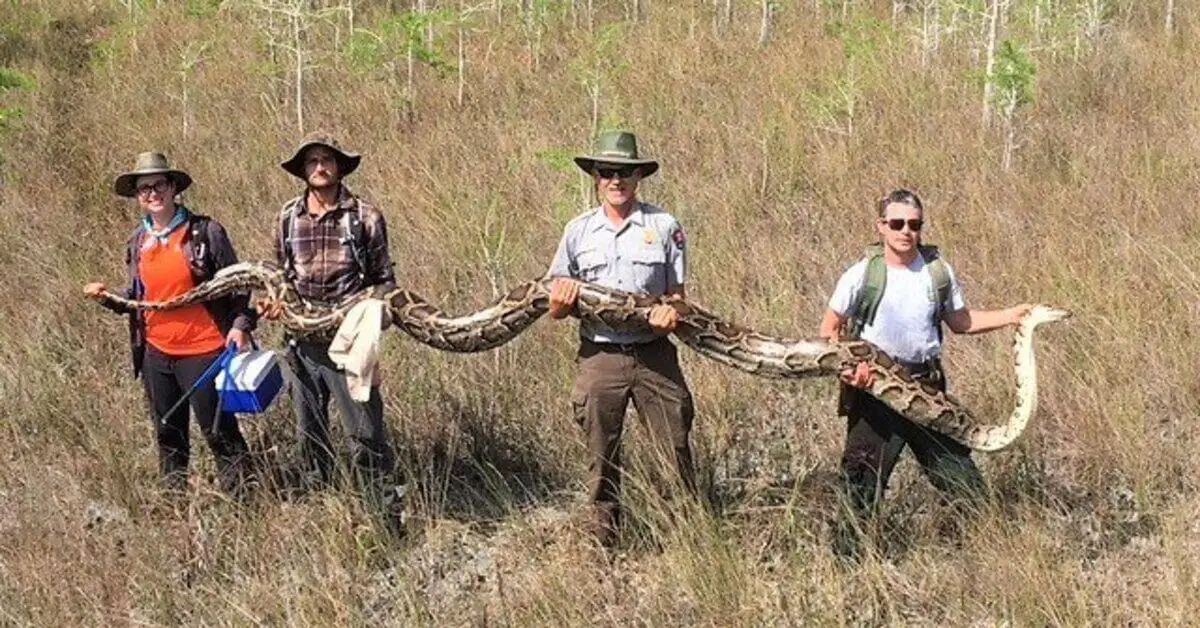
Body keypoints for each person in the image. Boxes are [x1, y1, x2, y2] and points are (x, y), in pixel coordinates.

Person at [819, 188, 1032, 558]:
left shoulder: (937, 272)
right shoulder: (861, 275)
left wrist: (1012, 315)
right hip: (875, 393)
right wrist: (852, 371)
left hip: (927, 389)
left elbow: (961, 322)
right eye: (897, 223)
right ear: (881, 227)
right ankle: (849, 567)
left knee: (961, 479)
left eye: (914, 224)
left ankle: (986, 554)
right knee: (861, 485)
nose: (906, 231)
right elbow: (829, 329)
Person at [546, 130, 696, 548]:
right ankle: (603, 544)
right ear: (595, 176)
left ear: (638, 177)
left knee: (675, 448)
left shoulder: (665, 226)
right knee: (601, 455)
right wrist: (560, 301)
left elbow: (680, 300)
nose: (616, 180)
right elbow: (555, 307)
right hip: (600, 355)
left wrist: (672, 313)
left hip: (654, 355)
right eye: (607, 171)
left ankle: (686, 538)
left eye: (625, 172)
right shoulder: (577, 231)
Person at [84, 152, 255, 497]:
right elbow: (140, 298)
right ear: (136, 196)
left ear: (173, 187)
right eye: (144, 188)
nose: (152, 193)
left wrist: (240, 324)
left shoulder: (205, 232)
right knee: (167, 431)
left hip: (204, 350)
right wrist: (107, 298)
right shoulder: (138, 242)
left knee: (218, 429)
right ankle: (174, 503)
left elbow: (239, 284)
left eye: (159, 184)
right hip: (156, 353)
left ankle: (246, 503)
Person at [258, 131, 404, 534]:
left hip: (351, 345)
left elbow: (384, 281)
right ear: (303, 171)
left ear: (339, 167)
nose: (320, 167)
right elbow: (279, 278)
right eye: (312, 162)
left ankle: (385, 518)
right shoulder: (287, 217)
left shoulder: (365, 216)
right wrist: (272, 305)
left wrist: (363, 312)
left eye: (327, 160)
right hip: (301, 345)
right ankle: (320, 516)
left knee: (365, 433)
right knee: (310, 434)